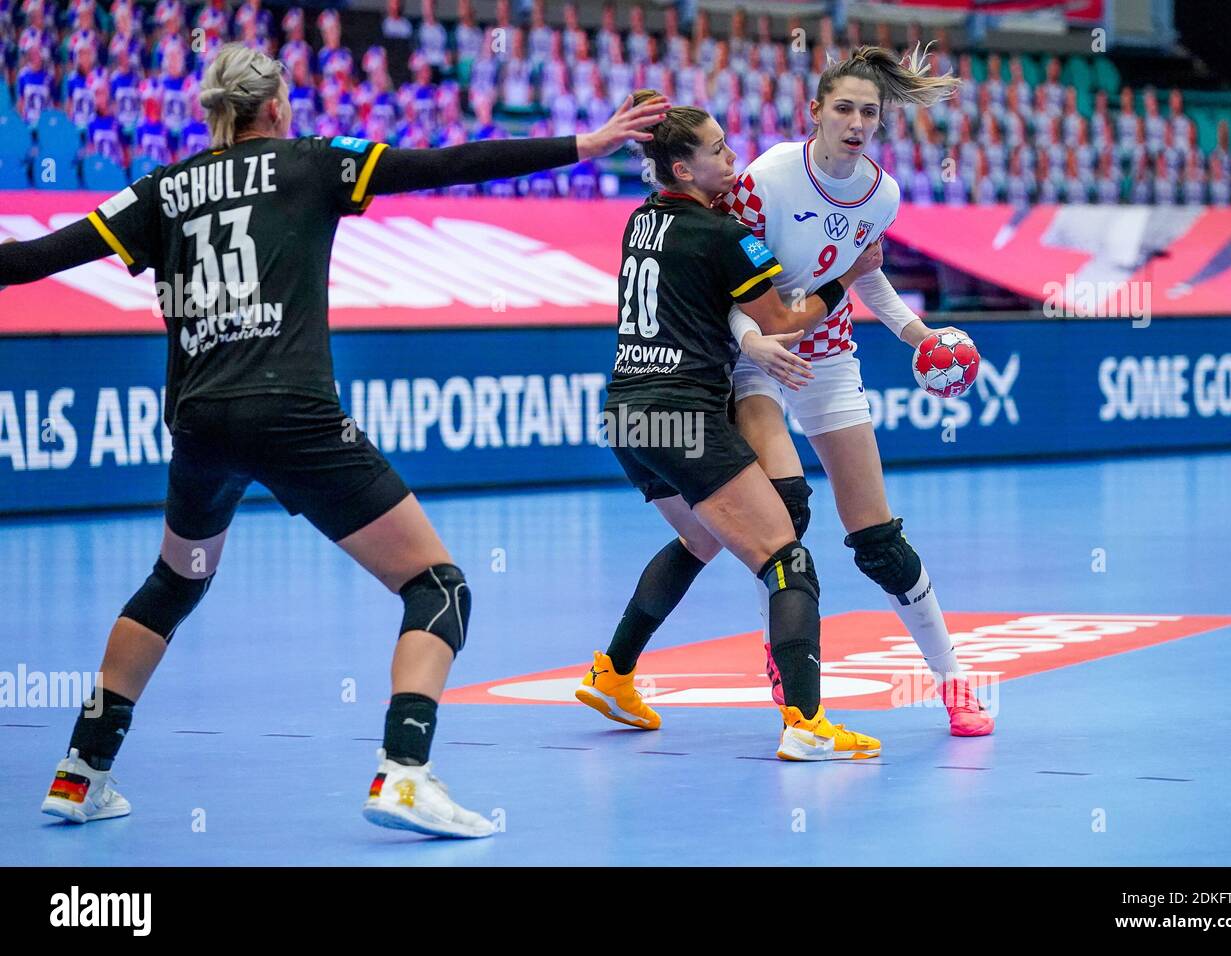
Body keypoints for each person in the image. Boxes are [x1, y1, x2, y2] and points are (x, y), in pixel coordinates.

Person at [0, 43, 667, 838]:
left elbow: (35, 258)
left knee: (173, 583)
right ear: (277, 106)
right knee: (439, 586)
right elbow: (447, 165)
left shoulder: (163, 188)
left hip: (202, 424)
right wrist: (579, 146)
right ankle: (405, 774)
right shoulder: (315, 162)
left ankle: (80, 773)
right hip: (294, 414)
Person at [575, 90, 886, 761]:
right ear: (682, 170)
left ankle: (612, 671)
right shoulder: (725, 236)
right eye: (717, 150)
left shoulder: (640, 220)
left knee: (702, 540)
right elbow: (783, 320)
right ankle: (806, 722)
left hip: (627, 416)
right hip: (682, 413)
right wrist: (848, 279)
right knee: (786, 555)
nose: (733, 158)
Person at [720, 45, 994, 736]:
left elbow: (863, 275)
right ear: (814, 112)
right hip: (758, 354)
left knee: (877, 539)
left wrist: (918, 336)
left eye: (869, 112)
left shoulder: (882, 194)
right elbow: (723, 280)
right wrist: (753, 343)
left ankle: (955, 683)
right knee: (783, 517)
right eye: (843, 108)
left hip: (830, 355)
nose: (856, 121)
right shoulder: (766, 179)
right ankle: (784, 663)